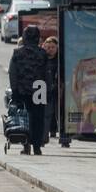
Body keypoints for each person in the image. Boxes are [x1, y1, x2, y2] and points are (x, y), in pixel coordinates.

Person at [9, 24, 50, 156]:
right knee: (38, 119)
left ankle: (26, 146)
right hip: (39, 89)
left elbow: (12, 72)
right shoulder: (43, 53)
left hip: (22, 90)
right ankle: (37, 146)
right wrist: (47, 89)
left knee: (24, 118)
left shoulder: (17, 52)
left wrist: (14, 90)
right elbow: (47, 73)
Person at [43, 36, 60, 142]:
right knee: (48, 111)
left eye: (53, 47)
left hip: (57, 89)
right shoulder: (42, 59)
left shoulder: (59, 60)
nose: (50, 49)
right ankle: (49, 130)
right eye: (48, 47)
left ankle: (55, 130)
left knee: (56, 111)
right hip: (45, 89)